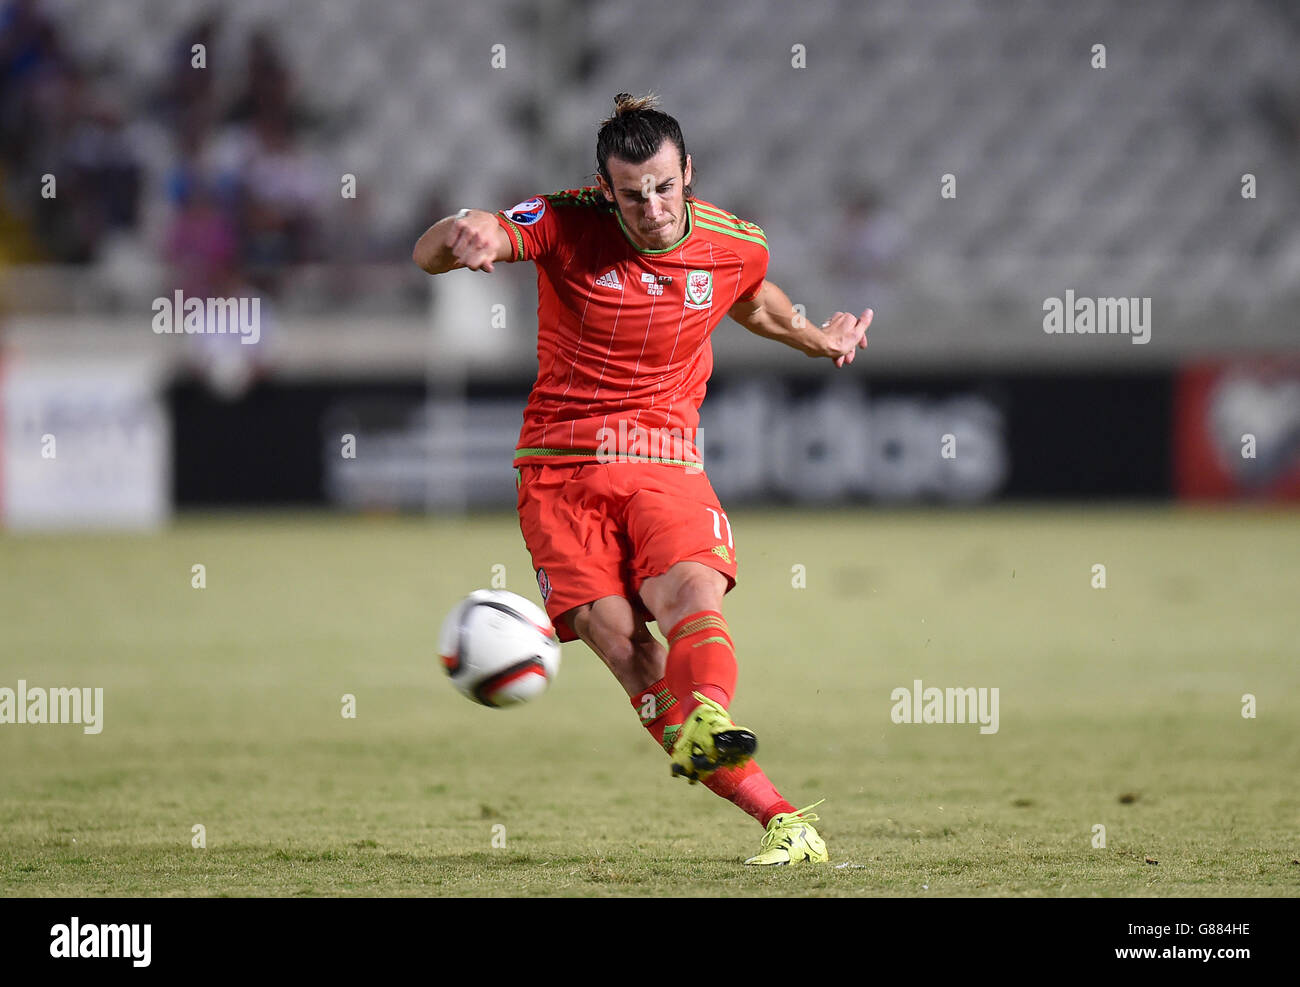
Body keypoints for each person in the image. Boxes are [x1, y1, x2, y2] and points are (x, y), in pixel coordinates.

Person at [413, 92, 871, 865]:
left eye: (664, 187)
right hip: (559, 468)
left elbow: (754, 302)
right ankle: (781, 817)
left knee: (690, 591)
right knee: (625, 648)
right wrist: (465, 229)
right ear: (605, 188)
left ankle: (715, 725)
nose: (653, 208)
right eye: (632, 195)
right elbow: (451, 247)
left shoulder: (732, 241)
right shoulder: (565, 220)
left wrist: (815, 339)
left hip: (663, 455)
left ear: (688, 172)